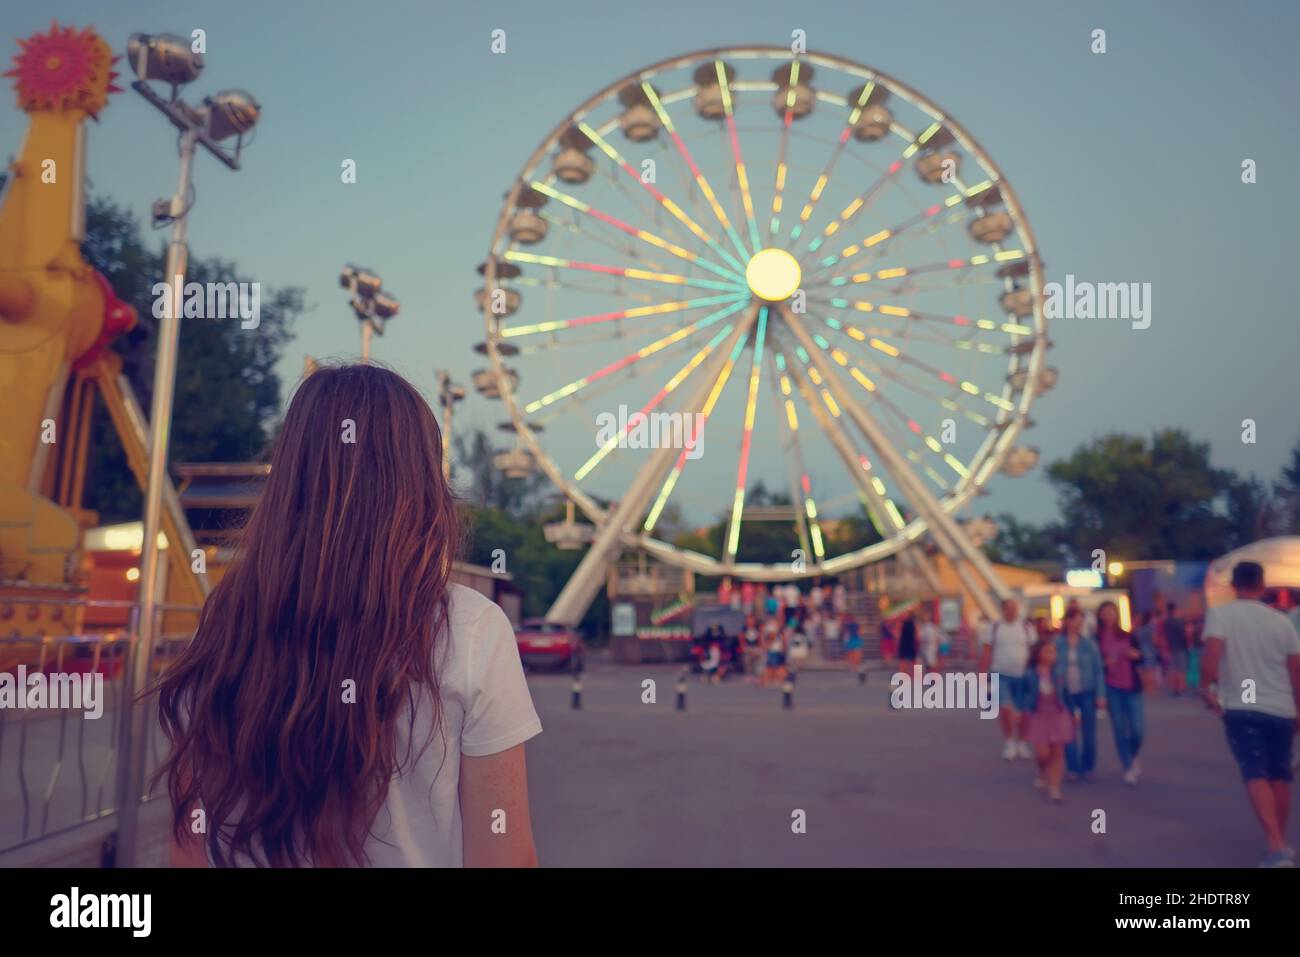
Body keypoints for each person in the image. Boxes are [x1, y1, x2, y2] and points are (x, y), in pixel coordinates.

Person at [156, 365, 541, 867]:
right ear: (421, 484)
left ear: (290, 478)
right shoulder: (471, 630)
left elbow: (188, 847)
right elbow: (503, 855)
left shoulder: (227, 623)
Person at [1200, 561, 1300, 868]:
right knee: (1279, 775)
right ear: (1262, 585)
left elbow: (1213, 653)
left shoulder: (1221, 615)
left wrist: (1207, 687)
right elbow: (1295, 669)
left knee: (1255, 772)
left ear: (1233, 585)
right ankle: (1278, 842)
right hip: (1280, 705)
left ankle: (1276, 845)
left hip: (1243, 703)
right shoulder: (1282, 621)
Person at [978, 599, 1035, 761]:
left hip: (1023, 675)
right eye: (1008, 609)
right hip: (1000, 673)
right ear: (1003, 610)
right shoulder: (994, 628)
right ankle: (1009, 742)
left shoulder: (1026, 628)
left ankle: (1022, 743)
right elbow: (987, 652)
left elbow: (1033, 651)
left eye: (1014, 609)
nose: (1012, 612)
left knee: (1024, 712)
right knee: (1005, 709)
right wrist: (982, 675)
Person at [1054, 607, 1104, 782]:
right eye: (1074, 619)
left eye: (1080, 619)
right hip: (1065, 692)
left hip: (1087, 692)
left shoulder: (1090, 645)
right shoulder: (1057, 643)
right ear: (1066, 621)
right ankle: (1073, 767)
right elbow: (1049, 664)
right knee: (1068, 731)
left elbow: (1098, 671)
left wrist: (1101, 694)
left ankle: (1088, 766)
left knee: (1089, 732)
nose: (1077, 623)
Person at [1098, 600, 1146, 785]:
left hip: (1132, 686)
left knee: (1138, 729)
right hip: (1112, 688)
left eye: (1111, 611)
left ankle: (1133, 754)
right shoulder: (1097, 638)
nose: (1108, 615)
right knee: (1119, 728)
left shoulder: (1127, 635)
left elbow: (1141, 656)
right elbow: (1095, 665)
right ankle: (1127, 766)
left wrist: (1136, 655)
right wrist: (1105, 664)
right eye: (1105, 612)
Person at [1022, 639, 1074, 803]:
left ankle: (1055, 789)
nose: (1052, 655)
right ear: (1038, 654)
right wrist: (1021, 710)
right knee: (1043, 753)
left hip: (1058, 714)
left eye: (1053, 652)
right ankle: (1041, 769)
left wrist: (1074, 712)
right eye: (1048, 651)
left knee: (1058, 751)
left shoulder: (1059, 672)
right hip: (1039, 715)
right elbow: (1023, 693)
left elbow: (1066, 694)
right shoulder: (1031, 673)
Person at [1164, 602, 1189, 696]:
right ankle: (1181, 688)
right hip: (1180, 647)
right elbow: (1183, 635)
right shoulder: (1178, 621)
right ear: (1174, 610)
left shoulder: (1167, 622)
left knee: (1174, 668)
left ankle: (1175, 688)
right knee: (1181, 669)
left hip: (1171, 647)